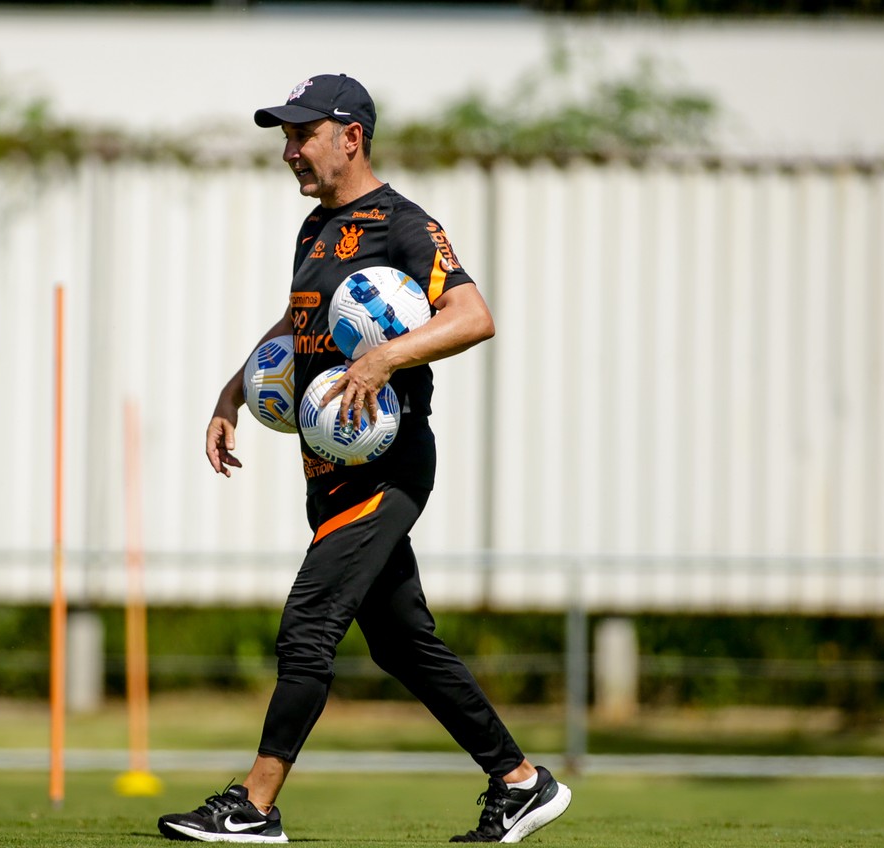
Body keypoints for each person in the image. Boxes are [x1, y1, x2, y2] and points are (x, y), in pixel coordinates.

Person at [157, 73, 571, 844]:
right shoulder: (314, 230)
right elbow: (296, 320)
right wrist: (232, 393)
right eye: (283, 136)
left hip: (387, 466)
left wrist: (384, 360)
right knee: (402, 643)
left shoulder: (404, 224)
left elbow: (473, 316)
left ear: (350, 136)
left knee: (308, 624)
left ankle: (254, 805)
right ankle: (519, 781)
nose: (288, 151)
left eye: (300, 135)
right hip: (327, 469)